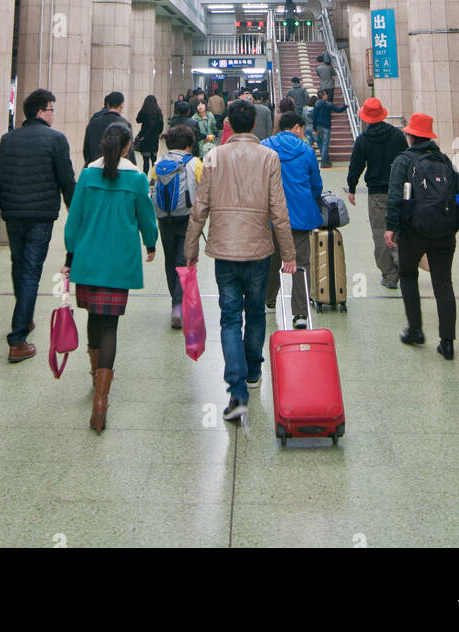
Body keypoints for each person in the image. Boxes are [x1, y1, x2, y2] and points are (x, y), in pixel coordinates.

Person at [184, 98, 295, 422]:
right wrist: (288, 254)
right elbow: (279, 209)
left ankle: (236, 391)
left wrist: (190, 249)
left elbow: (200, 208)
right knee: (256, 313)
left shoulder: (214, 157)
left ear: (229, 123)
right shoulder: (269, 157)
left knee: (230, 318)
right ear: (255, 124)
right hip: (259, 249)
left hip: (224, 250)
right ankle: (253, 372)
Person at [64, 125, 158, 432]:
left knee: (94, 317)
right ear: (128, 146)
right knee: (110, 325)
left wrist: (69, 255)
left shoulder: (88, 176)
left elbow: (74, 219)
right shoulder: (137, 179)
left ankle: (95, 376)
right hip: (119, 262)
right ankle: (101, 400)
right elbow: (146, 217)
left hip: (88, 259)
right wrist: (150, 243)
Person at [0, 89, 75, 363]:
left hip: (13, 214)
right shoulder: (56, 139)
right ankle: (17, 339)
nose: (53, 115)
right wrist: (75, 209)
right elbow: (66, 179)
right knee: (31, 271)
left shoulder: (8, 139)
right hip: (40, 216)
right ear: (40, 112)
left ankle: (24, 315)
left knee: (19, 264)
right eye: (51, 110)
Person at [385, 113, 459, 360]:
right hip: (445, 231)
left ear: (411, 136)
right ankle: (447, 343)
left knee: (408, 275)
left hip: (413, 231)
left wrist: (391, 226)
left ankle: (415, 330)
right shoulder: (445, 161)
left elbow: (395, 196)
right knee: (443, 284)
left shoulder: (403, 161)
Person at [262, 111, 322, 327]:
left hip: (271, 214)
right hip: (300, 216)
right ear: (297, 127)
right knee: (301, 263)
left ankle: (268, 299)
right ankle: (300, 313)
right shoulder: (306, 151)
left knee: (272, 259)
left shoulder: (265, 147)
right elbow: (316, 185)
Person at [348, 98, 408, 289]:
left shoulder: (363, 140)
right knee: (399, 231)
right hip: (399, 191)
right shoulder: (397, 135)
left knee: (380, 234)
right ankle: (404, 269)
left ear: (365, 118)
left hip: (377, 195)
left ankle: (390, 275)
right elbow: (407, 161)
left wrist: (352, 188)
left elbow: (356, 166)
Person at [152, 124, 202, 329]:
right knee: (183, 261)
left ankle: (176, 302)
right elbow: (204, 189)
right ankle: (178, 307)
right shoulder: (195, 163)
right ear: (189, 145)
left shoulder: (158, 163)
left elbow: (154, 185)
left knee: (170, 261)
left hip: (164, 219)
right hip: (187, 218)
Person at [83, 91, 133, 165]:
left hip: (95, 166)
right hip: (117, 168)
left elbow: (86, 151)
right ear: (122, 105)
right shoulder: (125, 124)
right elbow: (130, 152)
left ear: (107, 105)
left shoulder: (93, 123)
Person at [313, 90, 348, 168]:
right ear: (323, 96)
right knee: (325, 144)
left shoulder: (316, 105)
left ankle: (326, 160)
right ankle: (323, 162)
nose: (327, 96)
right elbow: (338, 110)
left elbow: (314, 116)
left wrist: (314, 128)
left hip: (318, 126)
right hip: (326, 126)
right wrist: (345, 106)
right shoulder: (327, 104)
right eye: (326, 94)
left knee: (321, 144)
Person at [135, 94, 164, 177]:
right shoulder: (159, 112)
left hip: (145, 139)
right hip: (154, 139)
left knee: (146, 160)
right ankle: (153, 178)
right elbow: (161, 126)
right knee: (154, 160)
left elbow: (138, 120)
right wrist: (158, 133)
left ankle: (145, 177)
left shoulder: (144, 111)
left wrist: (142, 108)